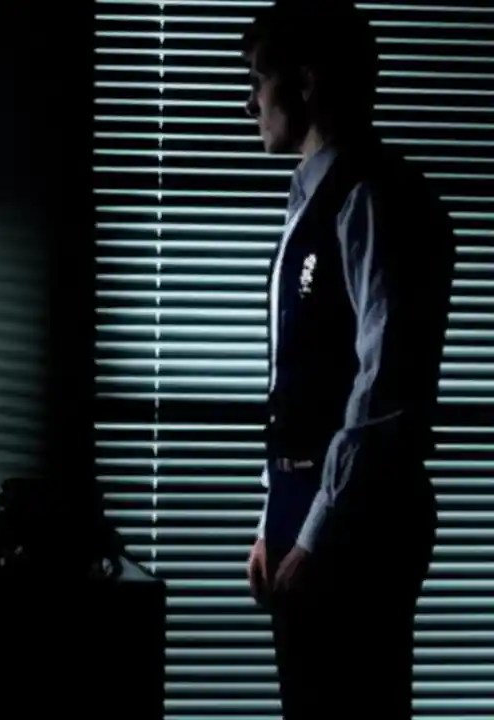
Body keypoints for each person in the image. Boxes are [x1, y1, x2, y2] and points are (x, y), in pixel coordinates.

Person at [239, 2, 456, 718]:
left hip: (359, 517)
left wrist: (317, 528)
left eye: (259, 78)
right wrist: (275, 516)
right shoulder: (311, 201)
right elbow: (300, 377)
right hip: (309, 505)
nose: (250, 99)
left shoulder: (373, 195)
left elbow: (386, 382)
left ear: (303, 83)